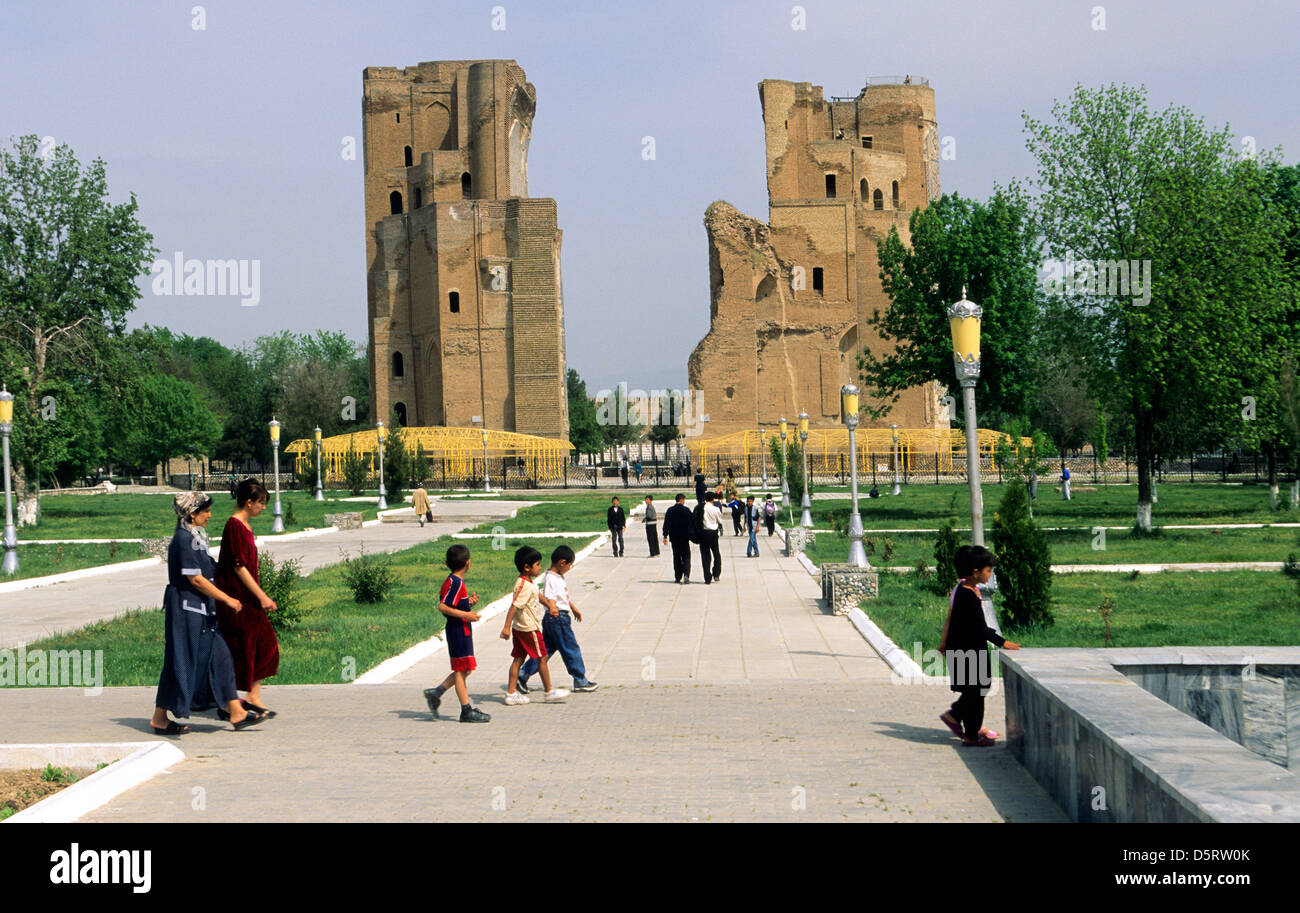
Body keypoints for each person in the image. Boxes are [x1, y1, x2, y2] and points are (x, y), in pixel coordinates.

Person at [150, 493, 265, 734]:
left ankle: (236, 711)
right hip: (186, 612)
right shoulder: (184, 539)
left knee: (220, 656)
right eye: (206, 511)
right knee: (180, 661)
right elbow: (196, 579)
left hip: (202, 611)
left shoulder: (195, 537)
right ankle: (160, 717)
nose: (210, 515)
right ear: (192, 514)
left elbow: (209, 570)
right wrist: (227, 599)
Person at [937, 546, 1020, 747]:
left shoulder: (967, 591)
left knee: (976, 691)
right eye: (988, 570)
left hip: (967, 650)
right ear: (976, 572)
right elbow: (980, 628)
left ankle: (955, 716)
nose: (990, 575)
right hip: (968, 652)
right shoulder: (967, 596)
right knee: (975, 694)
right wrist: (1002, 642)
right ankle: (970, 735)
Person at [215, 479, 280, 715]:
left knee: (262, 645)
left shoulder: (244, 526)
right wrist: (262, 596)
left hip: (248, 598)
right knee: (244, 648)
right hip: (237, 599)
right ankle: (230, 702)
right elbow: (239, 566)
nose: (263, 508)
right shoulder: (234, 526)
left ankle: (250, 696)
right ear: (248, 502)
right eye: (261, 503)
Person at [519, 545, 598, 692]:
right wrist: (553, 608)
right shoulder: (551, 578)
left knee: (545, 651)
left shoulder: (558, 577)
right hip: (558, 618)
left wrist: (573, 609)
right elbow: (550, 597)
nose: (569, 568)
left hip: (557, 617)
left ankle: (522, 675)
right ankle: (580, 680)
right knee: (570, 648)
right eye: (569, 565)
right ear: (562, 562)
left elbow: (563, 598)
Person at [423, 545, 489, 722]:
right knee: (461, 670)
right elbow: (443, 607)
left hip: (462, 630)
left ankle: (436, 693)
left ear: (446, 563)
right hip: (458, 631)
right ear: (468, 563)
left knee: (466, 669)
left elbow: (452, 605)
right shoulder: (456, 583)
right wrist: (466, 614)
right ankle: (466, 710)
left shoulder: (453, 581)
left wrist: (467, 604)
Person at [500, 547, 568, 705]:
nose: (539, 567)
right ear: (527, 567)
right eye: (537, 564)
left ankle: (511, 693)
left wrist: (550, 606)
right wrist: (506, 627)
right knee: (542, 657)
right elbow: (514, 606)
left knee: (518, 659)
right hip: (529, 628)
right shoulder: (524, 585)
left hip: (520, 628)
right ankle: (549, 691)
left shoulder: (528, 583)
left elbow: (537, 595)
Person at [662, 493, 694, 583]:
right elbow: (691, 523)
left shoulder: (670, 510)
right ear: (681, 500)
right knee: (686, 556)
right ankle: (686, 574)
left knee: (676, 557)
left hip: (674, 537)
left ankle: (677, 576)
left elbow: (666, 524)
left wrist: (665, 535)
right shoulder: (686, 510)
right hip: (684, 537)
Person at [698, 491, 724, 583]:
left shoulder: (701, 508)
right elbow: (720, 521)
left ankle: (707, 577)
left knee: (705, 556)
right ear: (713, 499)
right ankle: (716, 573)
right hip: (713, 533)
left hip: (704, 533)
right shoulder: (715, 509)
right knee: (716, 553)